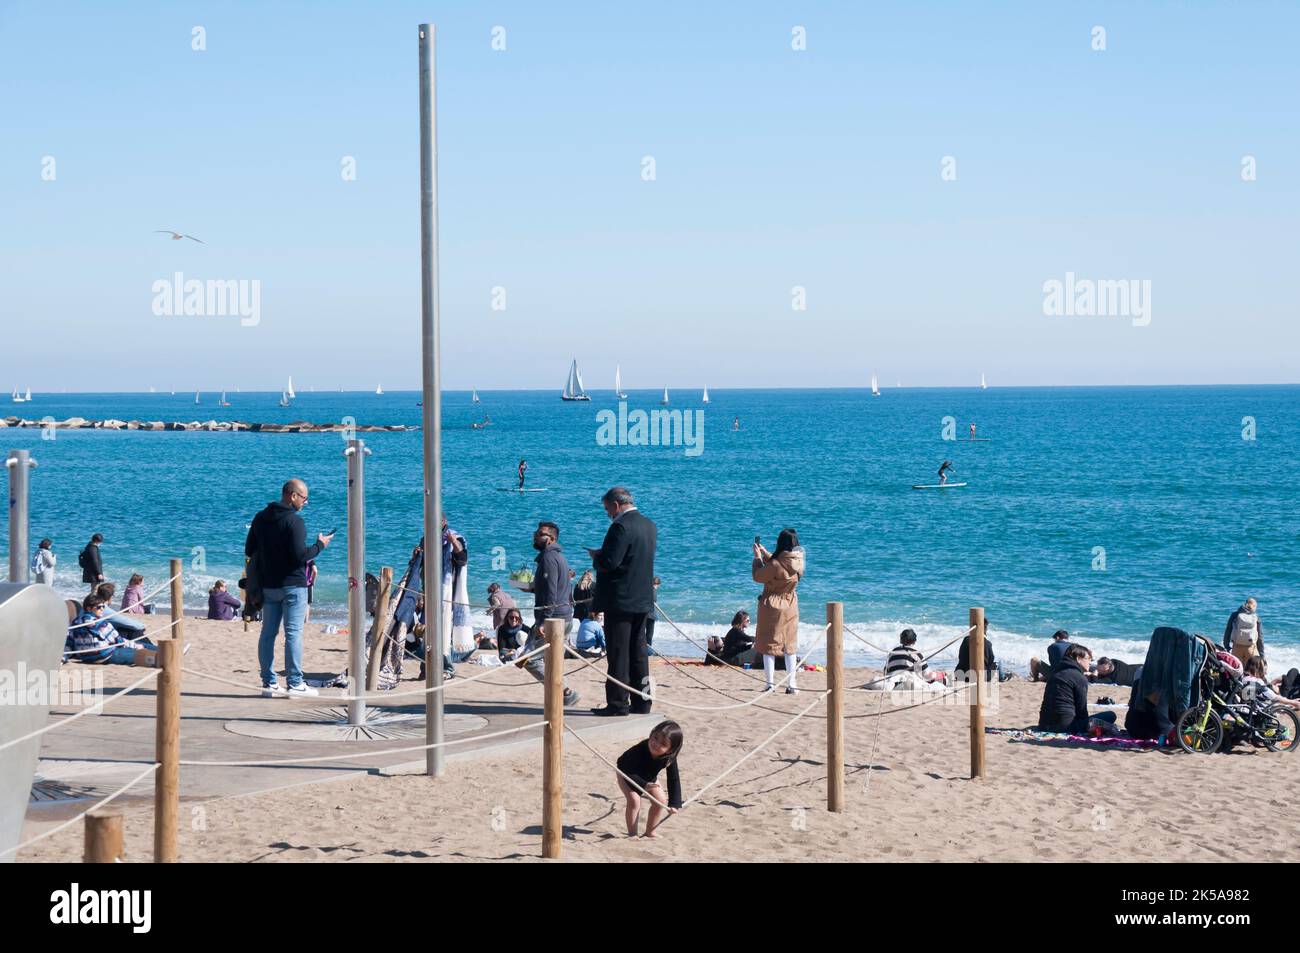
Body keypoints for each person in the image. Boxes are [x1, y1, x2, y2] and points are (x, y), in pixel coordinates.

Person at [246, 478, 333, 697]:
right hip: (293, 585)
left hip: (269, 585)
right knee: (293, 633)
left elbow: (250, 549)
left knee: (268, 633)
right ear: (292, 495)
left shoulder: (260, 518)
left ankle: (269, 684)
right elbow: (299, 555)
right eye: (304, 498)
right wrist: (319, 546)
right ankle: (295, 683)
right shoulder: (295, 522)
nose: (305, 503)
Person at [587, 487, 657, 717]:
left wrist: (597, 557)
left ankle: (618, 704)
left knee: (618, 653)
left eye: (608, 509)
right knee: (639, 653)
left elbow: (611, 563)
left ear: (616, 505)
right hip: (643, 598)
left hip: (620, 600)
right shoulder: (649, 525)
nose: (608, 513)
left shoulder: (620, 526)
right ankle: (643, 701)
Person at [515, 521, 581, 705]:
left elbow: (552, 592)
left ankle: (566, 693)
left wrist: (544, 621)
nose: (536, 535)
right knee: (551, 660)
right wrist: (531, 589)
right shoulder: (557, 557)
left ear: (551, 539)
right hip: (563, 615)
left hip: (554, 619)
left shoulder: (549, 558)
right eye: (536, 532)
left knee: (528, 660)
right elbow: (557, 588)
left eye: (541, 533)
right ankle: (562, 696)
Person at [753, 528, 805, 694]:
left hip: (773, 604)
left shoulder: (775, 564)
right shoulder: (799, 561)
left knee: (769, 645)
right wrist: (766, 553)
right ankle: (792, 684)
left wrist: (758, 558)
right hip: (790, 603)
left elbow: (759, 576)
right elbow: (782, 566)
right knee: (789, 645)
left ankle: (770, 684)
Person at [615, 720, 683, 838]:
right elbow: (625, 767)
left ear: (670, 750)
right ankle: (632, 834)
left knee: (660, 802)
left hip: (649, 778)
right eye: (655, 737)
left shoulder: (669, 758)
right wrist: (643, 784)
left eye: (663, 744)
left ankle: (650, 832)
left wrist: (674, 803)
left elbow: (673, 779)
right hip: (626, 774)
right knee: (634, 800)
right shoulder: (640, 749)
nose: (656, 743)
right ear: (651, 734)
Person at [1037, 644, 1117, 735]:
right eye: (1088, 658)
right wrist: (1085, 724)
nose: (1090, 662)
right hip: (1065, 727)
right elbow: (1081, 709)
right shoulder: (1079, 677)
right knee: (1111, 715)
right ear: (1078, 659)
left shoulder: (1055, 673)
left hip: (1043, 725)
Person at [66, 595, 158, 667]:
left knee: (139, 648)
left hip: (86, 657)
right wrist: (138, 646)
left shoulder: (76, 622)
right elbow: (119, 642)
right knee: (144, 652)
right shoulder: (100, 623)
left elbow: (69, 642)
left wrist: (63, 658)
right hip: (104, 656)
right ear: (89, 608)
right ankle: (163, 654)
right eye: (99, 607)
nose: (102, 609)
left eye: (103, 607)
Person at [1223, 598, 1264, 665]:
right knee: (1251, 673)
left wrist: (1226, 645)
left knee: (1236, 671)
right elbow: (1260, 637)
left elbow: (1228, 631)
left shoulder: (1235, 615)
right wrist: (1262, 655)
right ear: (1254, 606)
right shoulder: (1256, 617)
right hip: (1251, 648)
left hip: (1237, 647)